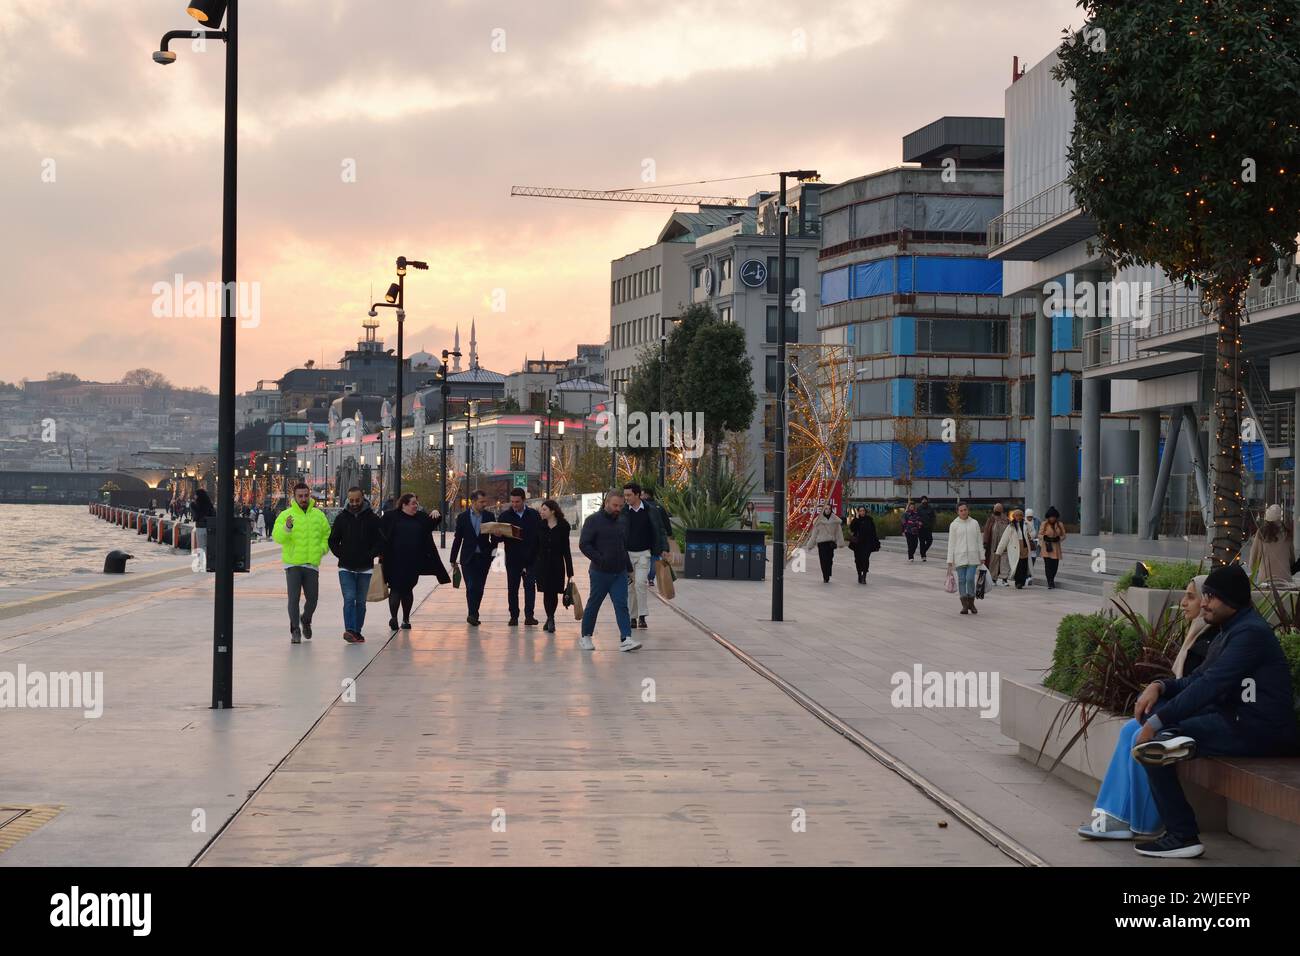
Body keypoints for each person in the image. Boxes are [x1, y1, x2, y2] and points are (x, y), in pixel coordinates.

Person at [1129, 564, 1300, 858]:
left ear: (1231, 600)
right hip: (1235, 722)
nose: (1204, 602)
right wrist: (1159, 686)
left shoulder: (1251, 634)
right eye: (1205, 595)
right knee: (1159, 717)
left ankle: (1181, 835)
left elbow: (1210, 684)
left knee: (1153, 744)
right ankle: (1181, 741)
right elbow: (1196, 679)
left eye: (1211, 596)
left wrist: (1157, 722)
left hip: (1260, 731)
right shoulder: (1230, 631)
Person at [1078, 576, 1212, 843]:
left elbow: (1199, 690)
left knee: (1139, 732)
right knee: (1132, 730)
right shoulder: (1197, 634)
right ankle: (1121, 817)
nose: (1183, 604)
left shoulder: (1210, 641)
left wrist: (1159, 716)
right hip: (1187, 714)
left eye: (1191, 597)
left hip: (1203, 720)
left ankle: (1145, 821)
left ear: (1208, 600)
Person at [578, 490, 640, 652]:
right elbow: (584, 544)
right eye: (614, 505)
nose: (617, 508)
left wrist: (629, 569)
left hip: (619, 572)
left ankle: (626, 638)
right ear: (606, 503)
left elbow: (622, 547)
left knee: (621, 604)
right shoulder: (593, 521)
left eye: (620, 506)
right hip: (600, 572)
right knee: (594, 603)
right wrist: (600, 559)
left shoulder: (622, 521)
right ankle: (586, 636)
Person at [271, 482, 331, 644]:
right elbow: (277, 537)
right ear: (295, 497)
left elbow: (327, 535)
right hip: (293, 564)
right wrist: (287, 528)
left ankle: (306, 619)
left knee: (313, 599)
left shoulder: (318, 515)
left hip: (311, 563)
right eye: (300, 496)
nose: (303, 499)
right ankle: (295, 629)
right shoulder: (286, 515)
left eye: (306, 495)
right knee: (293, 598)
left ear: (309, 495)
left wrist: (322, 549)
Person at [380, 492, 448, 631]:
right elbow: (379, 532)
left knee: (407, 590)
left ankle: (405, 618)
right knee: (396, 589)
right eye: (413, 503)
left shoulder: (421, 518)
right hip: (394, 561)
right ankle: (394, 618)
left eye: (416, 503)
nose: (416, 506)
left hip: (413, 561)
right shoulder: (391, 516)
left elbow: (434, 521)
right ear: (404, 505)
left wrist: (437, 512)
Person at [328, 486, 385, 644]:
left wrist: (370, 554)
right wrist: (341, 553)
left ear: (363, 498)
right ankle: (350, 630)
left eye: (357, 500)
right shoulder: (342, 518)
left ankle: (357, 631)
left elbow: (380, 541)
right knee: (349, 598)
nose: (354, 503)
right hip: (346, 566)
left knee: (360, 602)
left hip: (365, 568)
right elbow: (333, 540)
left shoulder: (373, 519)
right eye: (351, 500)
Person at [620, 482, 664, 630]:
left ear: (638, 495)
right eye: (625, 495)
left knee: (640, 584)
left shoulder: (650, 510)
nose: (626, 498)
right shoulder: (623, 511)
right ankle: (632, 617)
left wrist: (663, 549)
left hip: (644, 554)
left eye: (629, 495)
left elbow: (659, 530)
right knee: (631, 587)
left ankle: (642, 616)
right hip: (627, 555)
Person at [450, 490, 497, 626]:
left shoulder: (489, 516)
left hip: (483, 557)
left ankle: (474, 612)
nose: (484, 504)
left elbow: (494, 539)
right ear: (473, 502)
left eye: (485, 501)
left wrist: (492, 555)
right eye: (481, 502)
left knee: (479, 587)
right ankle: (472, 613)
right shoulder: (463, 517)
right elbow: (458, 539)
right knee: (470, 586)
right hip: (467, 558)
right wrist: (453, 558)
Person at [496, 487, 541, 626]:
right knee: (512, 588)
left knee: (529, 588)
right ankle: (514, 616)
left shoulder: (534, 515)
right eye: (512, 502)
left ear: (524, 500)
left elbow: (539, 537)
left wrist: (537, 556)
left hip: (530, 559)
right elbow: (498, 540)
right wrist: (497, 535)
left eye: (517, 502)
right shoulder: (505, 516)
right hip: (513, 559)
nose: (514, 504)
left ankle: (529, 616)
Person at [533, 499, 574, 633]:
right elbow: (535, 547)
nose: (541, 512)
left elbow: (566, 549)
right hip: (543, 564)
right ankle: (550, 618)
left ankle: (550, 618)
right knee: (546, 592)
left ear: (552, 511)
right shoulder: (539, 525)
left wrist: (570, 571)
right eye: (541, 509)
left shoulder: (563, 526)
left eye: (544, 509)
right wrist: (530, 565)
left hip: (557, 564)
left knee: (554, 592)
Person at [946, 502, 983, 615]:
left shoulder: (974, 523)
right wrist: (950, 560)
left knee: (970, 579)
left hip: (972, 557)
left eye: (965, 510)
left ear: (968, 510)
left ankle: (971, 601)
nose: (963, 512)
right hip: (959, 557)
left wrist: (982, 556)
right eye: (961, 510)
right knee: (962, 580)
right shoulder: (954, 525)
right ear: (957, 512)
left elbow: (979, 541)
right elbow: (951, 543)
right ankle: (964, 605)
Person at [1247, 503, 1293, 592]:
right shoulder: (1287, 534)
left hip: (1265, 579)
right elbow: (1291, 558)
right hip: (1285, 579)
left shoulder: (1262, 533)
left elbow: (1254, 556)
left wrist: (1253, 570)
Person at [995, 509, 1034, 589]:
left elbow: (1032, 532)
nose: (1019, 517)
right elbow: (1004, 539)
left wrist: (1031, 535)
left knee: (1024, 565)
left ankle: (1022, 581)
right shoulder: (1011, 526)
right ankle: (1018, 582)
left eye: (1020, 515)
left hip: (1025, 547)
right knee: (1018, 565)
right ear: (1013, 516)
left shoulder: (1026, 524)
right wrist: (999, 551)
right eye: (1017, 515)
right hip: (1015, 548)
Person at [640, 486, 672, 586]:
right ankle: (651, 578)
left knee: (643, 558)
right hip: (656, 538)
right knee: (655, 558)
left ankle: (642, 577)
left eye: (641, 494)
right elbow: (665, 523)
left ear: (646, 494)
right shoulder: (659, 507)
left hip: (644, 539)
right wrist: (669, 534)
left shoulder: (643, 507)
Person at [809, 504, 846, 583]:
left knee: (830, 560)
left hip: (830, 543)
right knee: (823, 560)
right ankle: (825, 576)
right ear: (823, 510)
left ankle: (828, 572)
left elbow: (839, 532)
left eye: (829, 508)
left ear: (831, 510)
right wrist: (811, 544)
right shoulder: (819, 520)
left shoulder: (835, 520)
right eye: (826, 509)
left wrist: (840, 542)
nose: (827, 510)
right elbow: (814, 534)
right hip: (821, 543)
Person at [848, 506, 880, 584]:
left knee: (865, 560)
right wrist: (856, 519)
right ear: (858, 512)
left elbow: (873, 532)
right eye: (860, 511)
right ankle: (859, 574)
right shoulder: (856, 520)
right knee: (858, 560)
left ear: (865, 511)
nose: (862, 512)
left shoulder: (869, 520)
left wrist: (876, 542)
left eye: (863, 511)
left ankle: (864, 576)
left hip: (867, 543)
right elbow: (852, 529)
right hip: (858, 544)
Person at [1038, 507, 1066, 589]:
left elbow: (1064, 535)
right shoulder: (1044, 524)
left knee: (1055, 566)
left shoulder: (1060, 524)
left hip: (1056, 547)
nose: (1052, 518)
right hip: (1047, 547)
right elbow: (1039, 534)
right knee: (1048, 565)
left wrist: (1059, 538)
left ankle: (1052, 579)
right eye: (1051, 517)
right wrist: (1045, 537)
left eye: (1054, 516)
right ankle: (1050, 582)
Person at [983, 503, 1010, 587]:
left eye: (999, 509)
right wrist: (985, 542)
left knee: (1004, 562)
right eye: (996, 509)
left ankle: (1004, 579)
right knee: (993, 561)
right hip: (993, 544)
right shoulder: (991, 519)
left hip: (1004, 545)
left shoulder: (1006, 519)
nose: (997, 511)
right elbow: (986, 530)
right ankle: (993, 579)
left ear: (1002, 509)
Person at [191, 489, 215, 553]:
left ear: (198, 495)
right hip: (209, 526)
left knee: (201, 545)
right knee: (208, 545)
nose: (194, 496)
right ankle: (208, 559)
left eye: (195, 495)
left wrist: (192, 506)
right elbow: (213, 514)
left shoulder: (197, 504)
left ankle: (203, 560)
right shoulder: (209, 504)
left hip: (200, 527)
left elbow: (197, 516)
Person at [916, 495, 937, 562]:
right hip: (921, 528)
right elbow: (916, 517)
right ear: (921, 501)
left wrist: (932, 524)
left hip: (928, 527)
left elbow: (933, 517)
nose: (924, 501)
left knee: (930, 540)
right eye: (923, 500)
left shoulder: (930, 508)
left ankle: (923, 551)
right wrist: (918, 522)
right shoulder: (918, 508)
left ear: (927, 500)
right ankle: (923, 556)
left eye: (925, 500)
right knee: (922, 542)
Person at [1023, 507, 1040, 585]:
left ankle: (1029, 575)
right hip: (1026, 544)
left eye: (1031, 516)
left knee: (1032, 559)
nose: (1030, 518)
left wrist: (1038, 538)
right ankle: (1026, 575)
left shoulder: (1037, 521)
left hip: (1034, 544)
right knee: (1026, 560)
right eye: (1028, 517)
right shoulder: (1023, 522)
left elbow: (1039, 531)